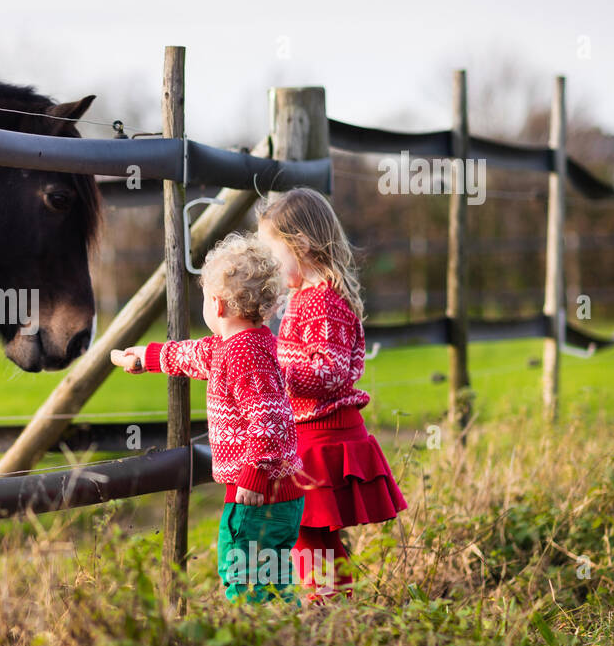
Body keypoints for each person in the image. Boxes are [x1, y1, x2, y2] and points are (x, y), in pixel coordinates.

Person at [111, 232, 305, 603]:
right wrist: (145, 357)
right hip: (278, 494)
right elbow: (192, 355)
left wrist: (254, 474)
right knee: (273, 582)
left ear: (216, 305)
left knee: (242, 578)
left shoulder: (243, 355)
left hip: (259, 494)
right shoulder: (240, 346)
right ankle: (291, 640)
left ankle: (255, 645)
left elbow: (270, 419)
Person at [254, 187, 408, 601]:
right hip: (310, 434)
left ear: (301, 245)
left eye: (273, 255)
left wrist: (276, 370)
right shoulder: (304, 298)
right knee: (308, 532)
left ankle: (328, 608)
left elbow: (329, 371)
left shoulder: (322, 302)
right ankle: (330, 605)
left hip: (325, 437)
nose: (269, 267)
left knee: (307, 530)